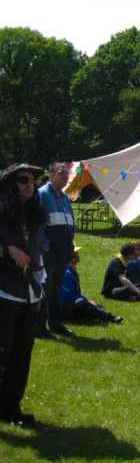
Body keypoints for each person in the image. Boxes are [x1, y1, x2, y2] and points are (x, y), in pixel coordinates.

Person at [0, 164, 47, 426]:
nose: (30, 186)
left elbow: (36, 255)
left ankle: (10, 408)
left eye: (32, 181)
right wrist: (7, 252)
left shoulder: (31, 216)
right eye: (23, 180)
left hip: (28, 293)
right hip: (4, 292)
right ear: (10, 185)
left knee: (21, 355)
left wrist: (38, 290)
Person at [37, 162, 76, 338]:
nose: (66, 176)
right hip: (49, 250)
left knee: (56, 289)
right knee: (46, 288)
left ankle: (55, 323)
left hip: (63, 249)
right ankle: (40, 327)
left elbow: (70, 222)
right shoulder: (43, 195)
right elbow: (38, 223)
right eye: (62, 173)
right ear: (51, 174)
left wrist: (71, 244)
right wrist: (43, 243)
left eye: (67, 173)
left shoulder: (65, 197)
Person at [60, 247, 123, 325]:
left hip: (69, 306)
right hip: (62, 309)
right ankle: (110, 317)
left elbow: (75, 294)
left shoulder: (71, 270)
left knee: (85, 305)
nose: (76, 255)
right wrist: (86, 301)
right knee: (82, 303)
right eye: (73, 253)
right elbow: (68, 296)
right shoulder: (66, 273)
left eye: (77, 252)